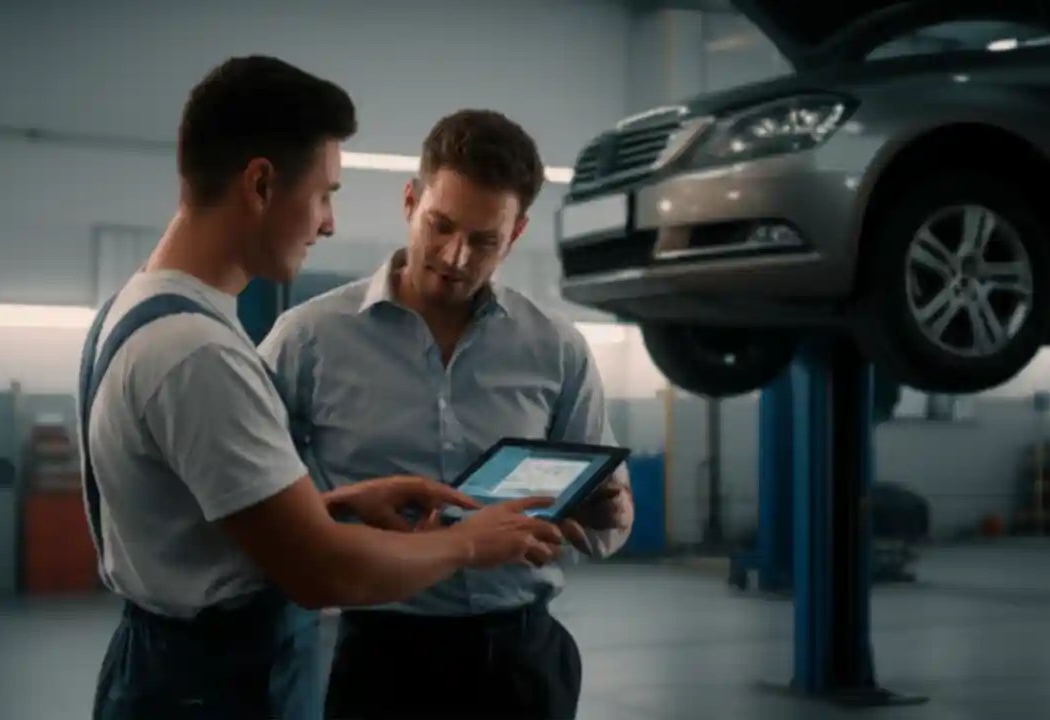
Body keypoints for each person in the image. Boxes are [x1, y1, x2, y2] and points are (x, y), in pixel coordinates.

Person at [80, 58, 565, 720]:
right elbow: (321, 573)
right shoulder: (198, 355)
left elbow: (209, 521)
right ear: (260, 184)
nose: (330, 222)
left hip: (175, 665)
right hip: (212, 687)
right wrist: (472, 542)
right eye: (325, 193)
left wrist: (338, 503)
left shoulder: (137, 309)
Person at [260, 109, 636, 720]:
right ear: (410, 202)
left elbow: (607, 519)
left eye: (485, 240)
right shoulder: (307, 340)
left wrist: (609, 511)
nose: (457, 257)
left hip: (522, 663)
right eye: (440, 225)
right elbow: (256, 500)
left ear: (515, 236)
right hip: (379, 660)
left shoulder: (555, 346)